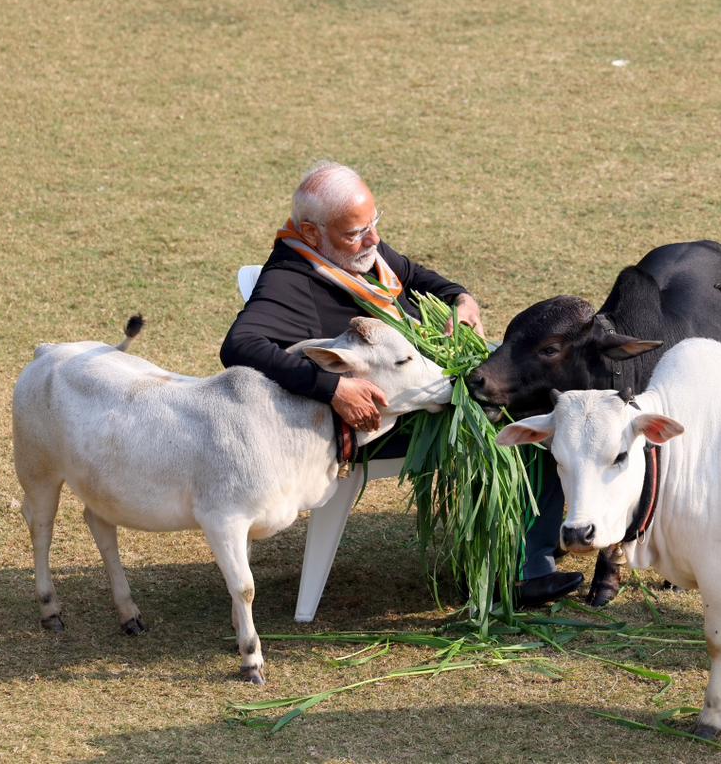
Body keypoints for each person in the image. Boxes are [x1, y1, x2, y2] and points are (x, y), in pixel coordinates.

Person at [221, 161, 583, 607]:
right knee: (518, 417)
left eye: (374, 224)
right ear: (313, 235)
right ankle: (509, 574)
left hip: (425, 382)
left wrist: (459, 297)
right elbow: (239, 345)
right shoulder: (290, 281)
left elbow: (411, 274)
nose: (372, 241)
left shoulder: (356, 250)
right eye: (356, 233)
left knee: (537, 391)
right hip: (382, 419)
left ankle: (536, 542)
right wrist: (332, 389)